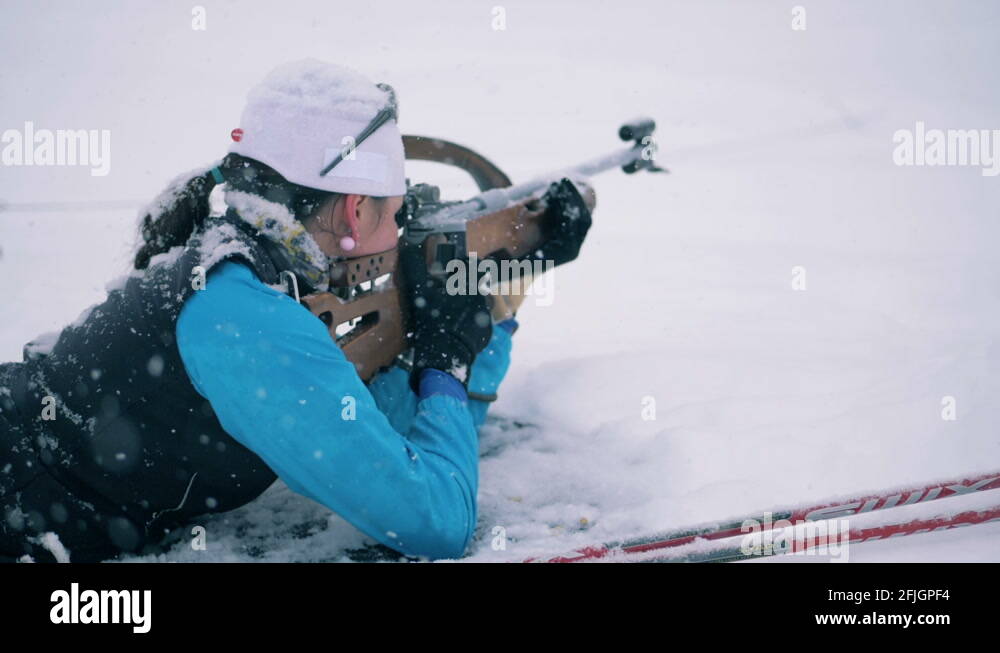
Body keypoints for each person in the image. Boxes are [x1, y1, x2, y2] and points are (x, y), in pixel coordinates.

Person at [0, 59, 591, 563]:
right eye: (397, 212)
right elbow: (436, 522)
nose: (401, 232)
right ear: (355, 211)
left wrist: (500, 301)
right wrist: (445, 362)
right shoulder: (249, 317)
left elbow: (397, 443)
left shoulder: (247, 258)